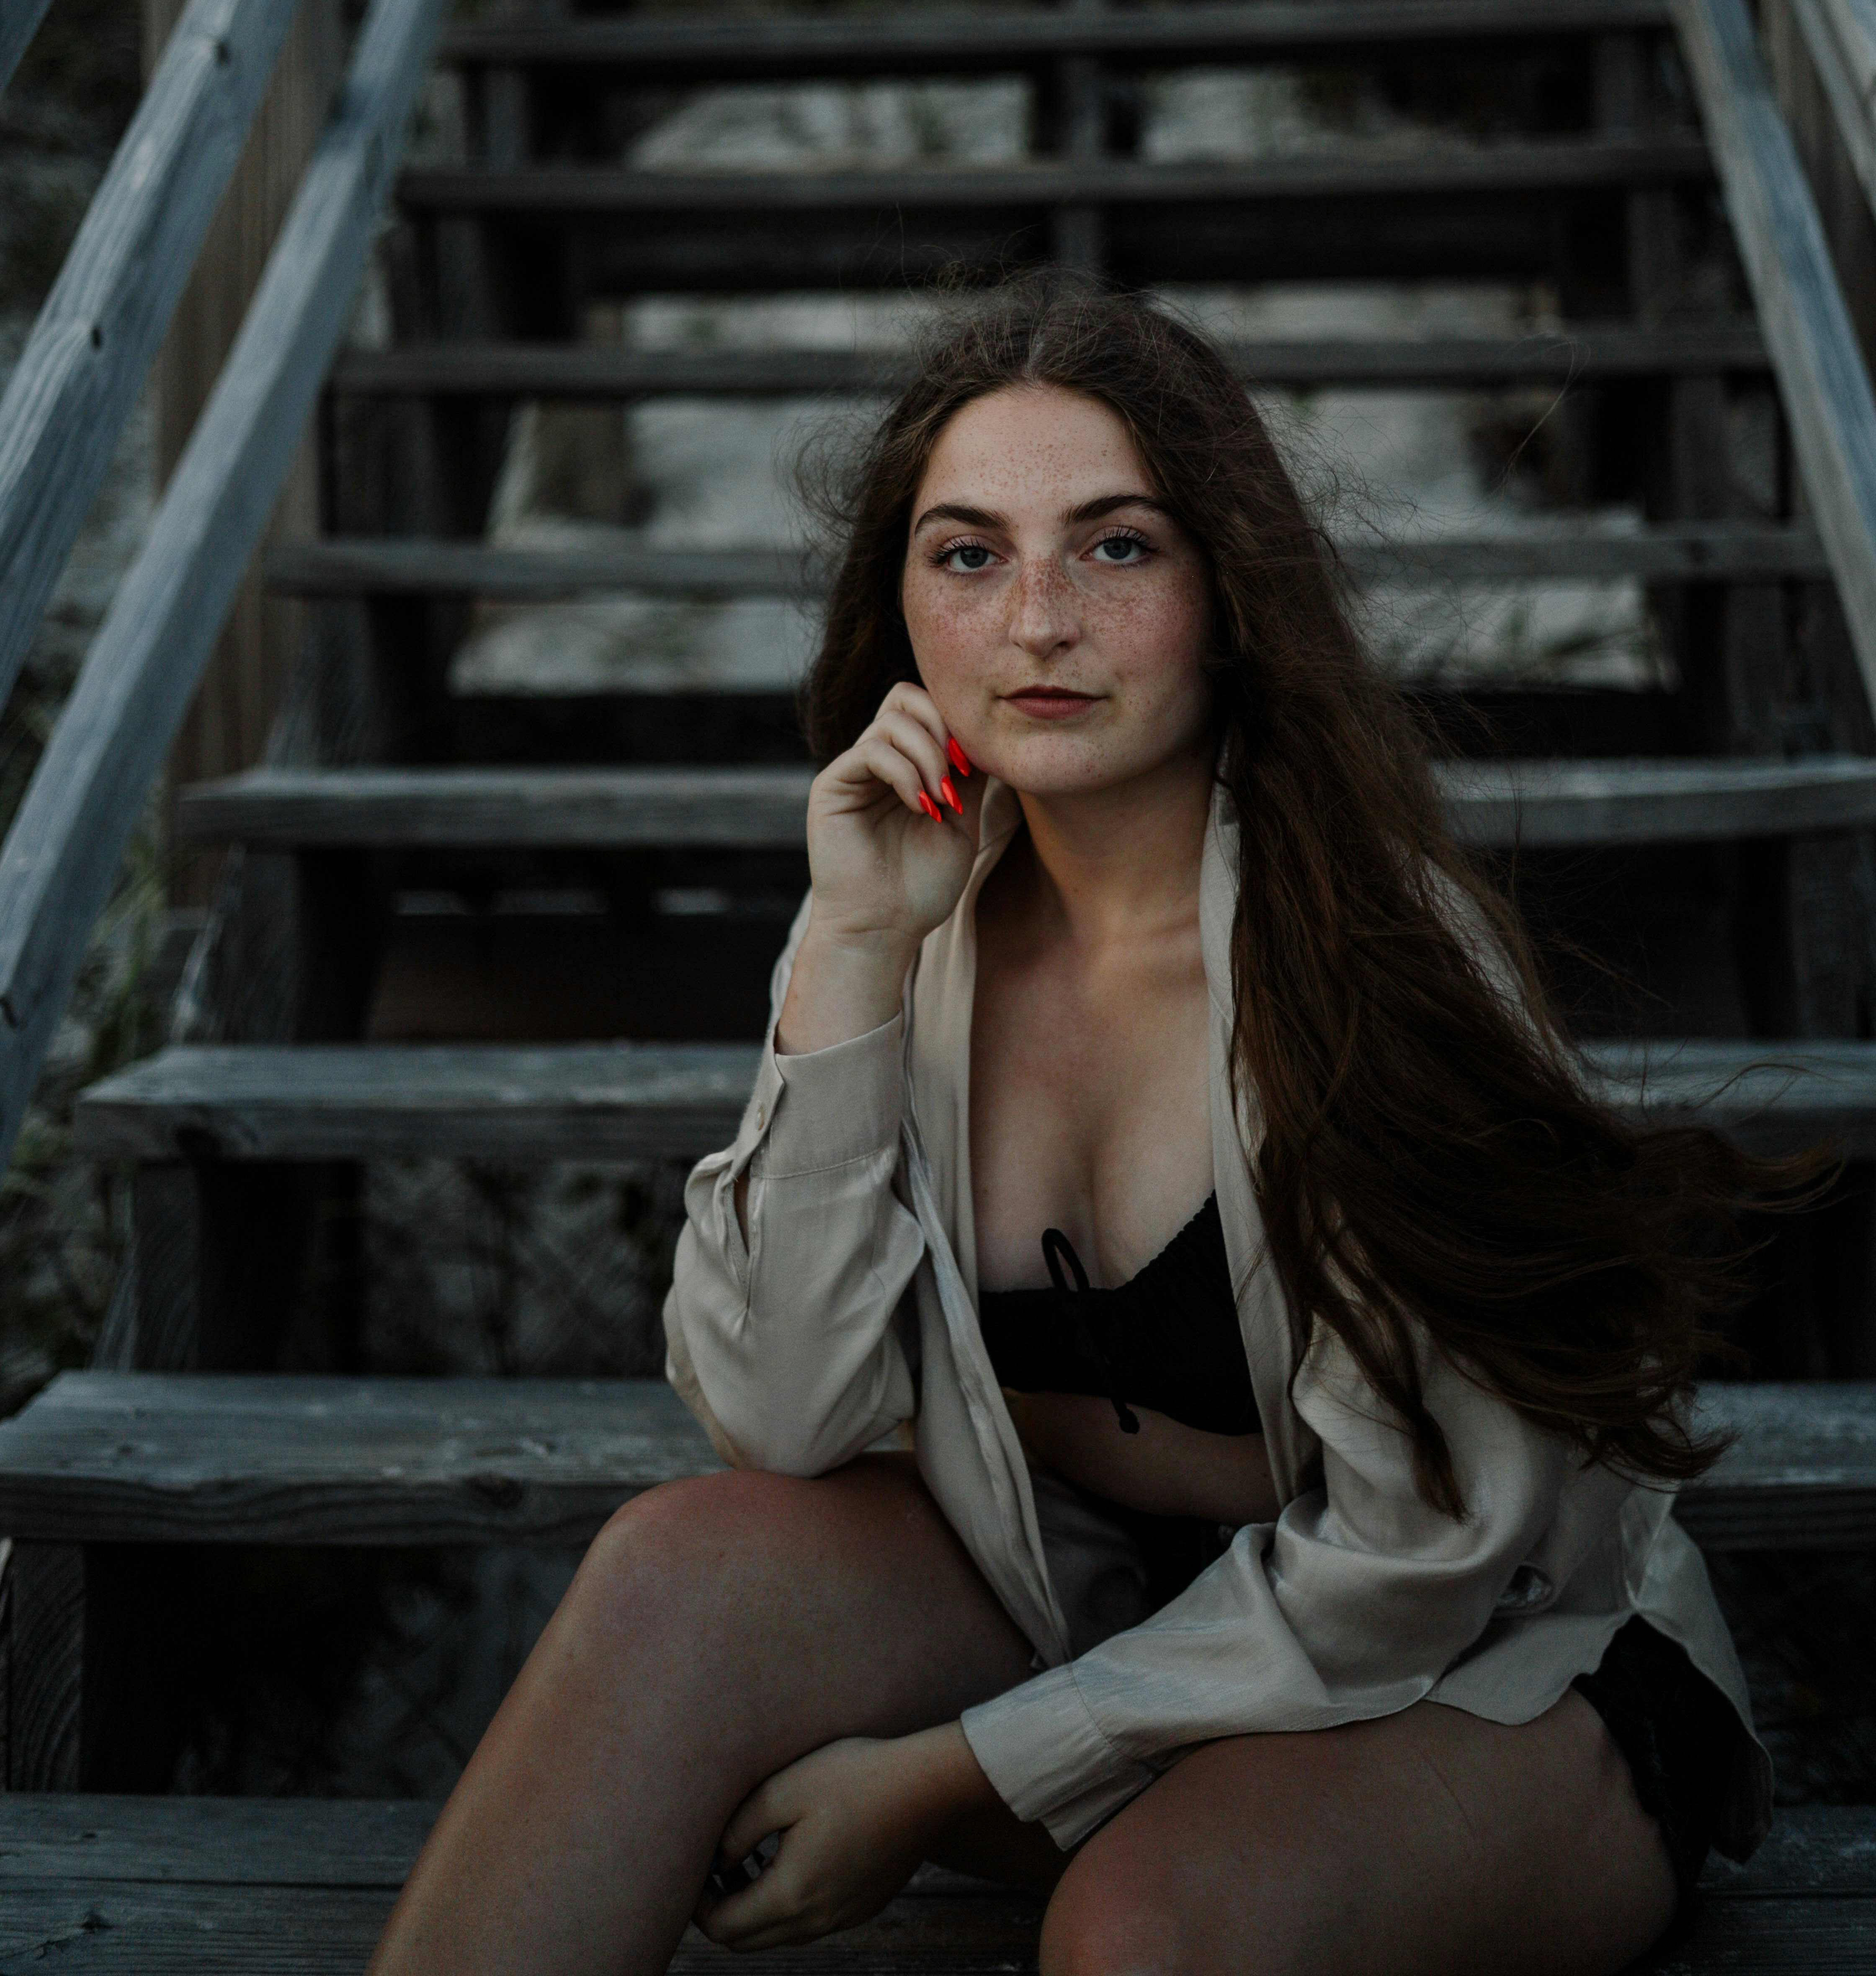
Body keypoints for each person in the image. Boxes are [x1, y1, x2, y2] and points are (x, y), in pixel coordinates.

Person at [371, 271, 1790, 1976]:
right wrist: (852, 954)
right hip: (1099, 1599)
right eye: (968, 555)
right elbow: (781, 1410)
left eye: (1114, 547)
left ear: (1224, 593)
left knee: (1138, 1933)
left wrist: (938, 1777)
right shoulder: (904, 923)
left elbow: (1426, 1558)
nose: (1036, 619)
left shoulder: (1380, 961)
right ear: (902, 612)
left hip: (1494, 1656)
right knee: (678, 1568)